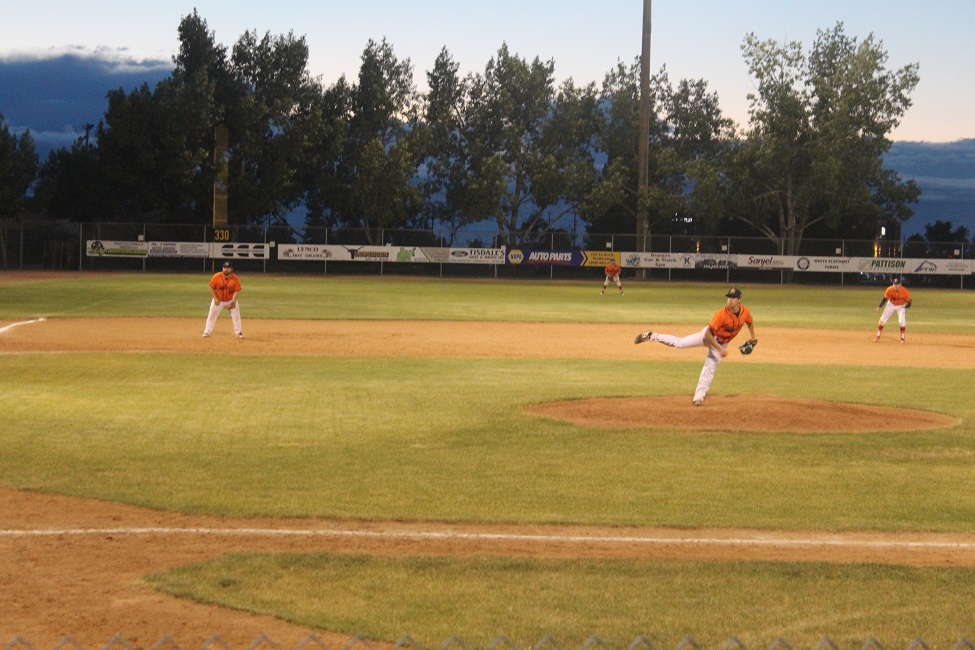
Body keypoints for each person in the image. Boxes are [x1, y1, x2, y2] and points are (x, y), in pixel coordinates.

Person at [633, 287, 756, 406]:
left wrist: (753, 337)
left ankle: (699, 397)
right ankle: (651, 335)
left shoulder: (745, 312)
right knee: (680, 343)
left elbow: (749, 322)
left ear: (739, 300)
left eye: (733, 297)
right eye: (729, 297)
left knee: (709, 368)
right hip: (708, 337)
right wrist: (719, 349)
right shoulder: (721, 314)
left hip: (722, 343)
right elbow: (708, 333)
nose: (730, 300)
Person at [203, 260, 244, 339]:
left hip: (230, 299)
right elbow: (211, 287)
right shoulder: (216, 276)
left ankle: (238, 332)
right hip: (219, 300)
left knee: (236, 316)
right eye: (225, 267)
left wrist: (233, 301)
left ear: (231, 269)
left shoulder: (235, 278)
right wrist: (215, 298)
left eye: (228, 268)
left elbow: (237, 290)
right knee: (211, 315)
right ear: (222, 268)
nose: (226, 269)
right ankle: (207, 331)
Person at [875, 276, 912, 343]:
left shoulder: (905, 291)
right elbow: (885, 298)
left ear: (900, 285)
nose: (895, 285)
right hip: (891, 305)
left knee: (902, 321)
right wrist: (880, 306)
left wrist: (908, 304)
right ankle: (878, 335)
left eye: (897, 284)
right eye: (894, 284)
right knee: (883, 319)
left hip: (901, 306)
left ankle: (902, 337)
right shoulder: (889, 289)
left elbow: (909, 300)